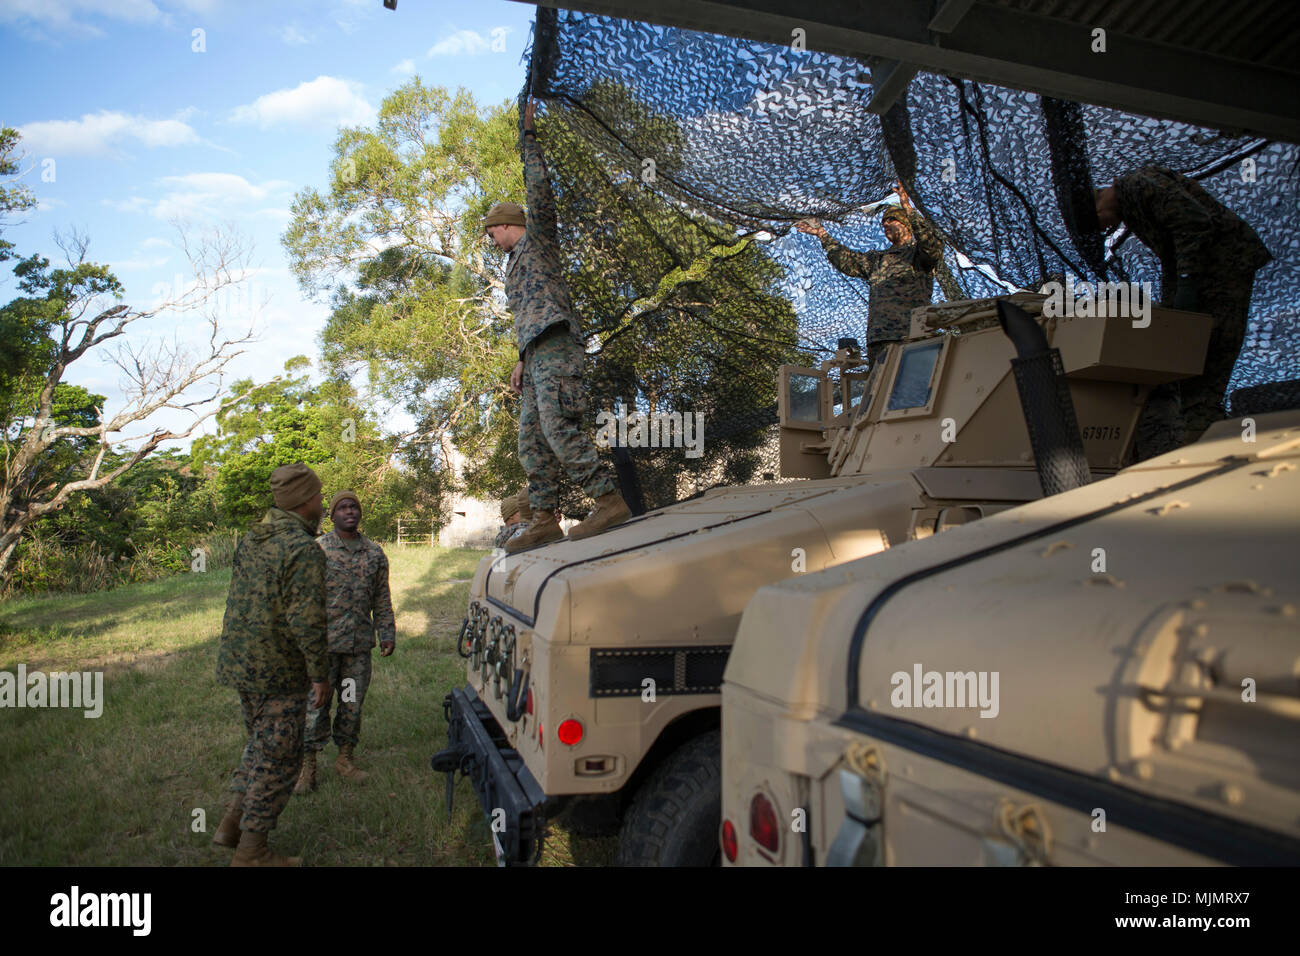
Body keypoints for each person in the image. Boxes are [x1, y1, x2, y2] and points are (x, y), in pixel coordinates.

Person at [483, 97, 630, 554]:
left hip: (559, 348)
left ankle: (607, 500)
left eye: (492, 231)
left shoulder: (539, 240)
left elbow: (539, 191)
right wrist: (521, 361)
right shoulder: (513, 266)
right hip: (536, 355)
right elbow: (528, 314)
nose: (490, 239)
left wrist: (529, 137)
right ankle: (543, 518)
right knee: (530, 438)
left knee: (558, 426)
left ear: (509, 225)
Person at [1095, 166, 1272, 459]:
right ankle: (1201, 436)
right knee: (1193, 371)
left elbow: (1194, 222)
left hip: (1223, 270)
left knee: (1209, 361)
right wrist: (1174, 296)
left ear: (1099, 200)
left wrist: (1187, 285)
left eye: (1097, 221)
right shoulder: (1132, 203)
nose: (1103, 229)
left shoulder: (1137, 185)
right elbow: (1172, 253)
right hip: (1211, 274)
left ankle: (1204, 447)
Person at [213, 462, 330, 867]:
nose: (322, 501)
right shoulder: (301, 550)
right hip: (278, 670)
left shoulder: (253, 540)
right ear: (304, 501)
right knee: (278, 759)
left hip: (242, 665)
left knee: (258, 748)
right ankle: (252, 853)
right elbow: (308, 621)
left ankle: (231, 823)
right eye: (317, 495)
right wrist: (319, 674)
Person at [295, 490, 396, 793]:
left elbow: (381, 597)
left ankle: (344, 759)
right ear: (332, 514)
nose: (350, 511)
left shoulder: (374, 553)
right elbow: (303, 599)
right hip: (323, 648)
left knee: (351, 704)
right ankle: (307, 767)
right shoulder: (318, 550)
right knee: (316, 706)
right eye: (343, 507)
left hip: (357, 648)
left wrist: (387, 632)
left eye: (354, 507)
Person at [796, 184, 944, 368]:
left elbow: (932, 246)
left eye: (891, 220)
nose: (886, 224)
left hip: (911, 338)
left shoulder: (918, 255)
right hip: (878, 341)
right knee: (881, 393)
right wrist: (821, 234)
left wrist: (907, 208)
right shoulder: (878, 260)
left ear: (907, 225)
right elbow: (847, 261)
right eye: (884, 222)